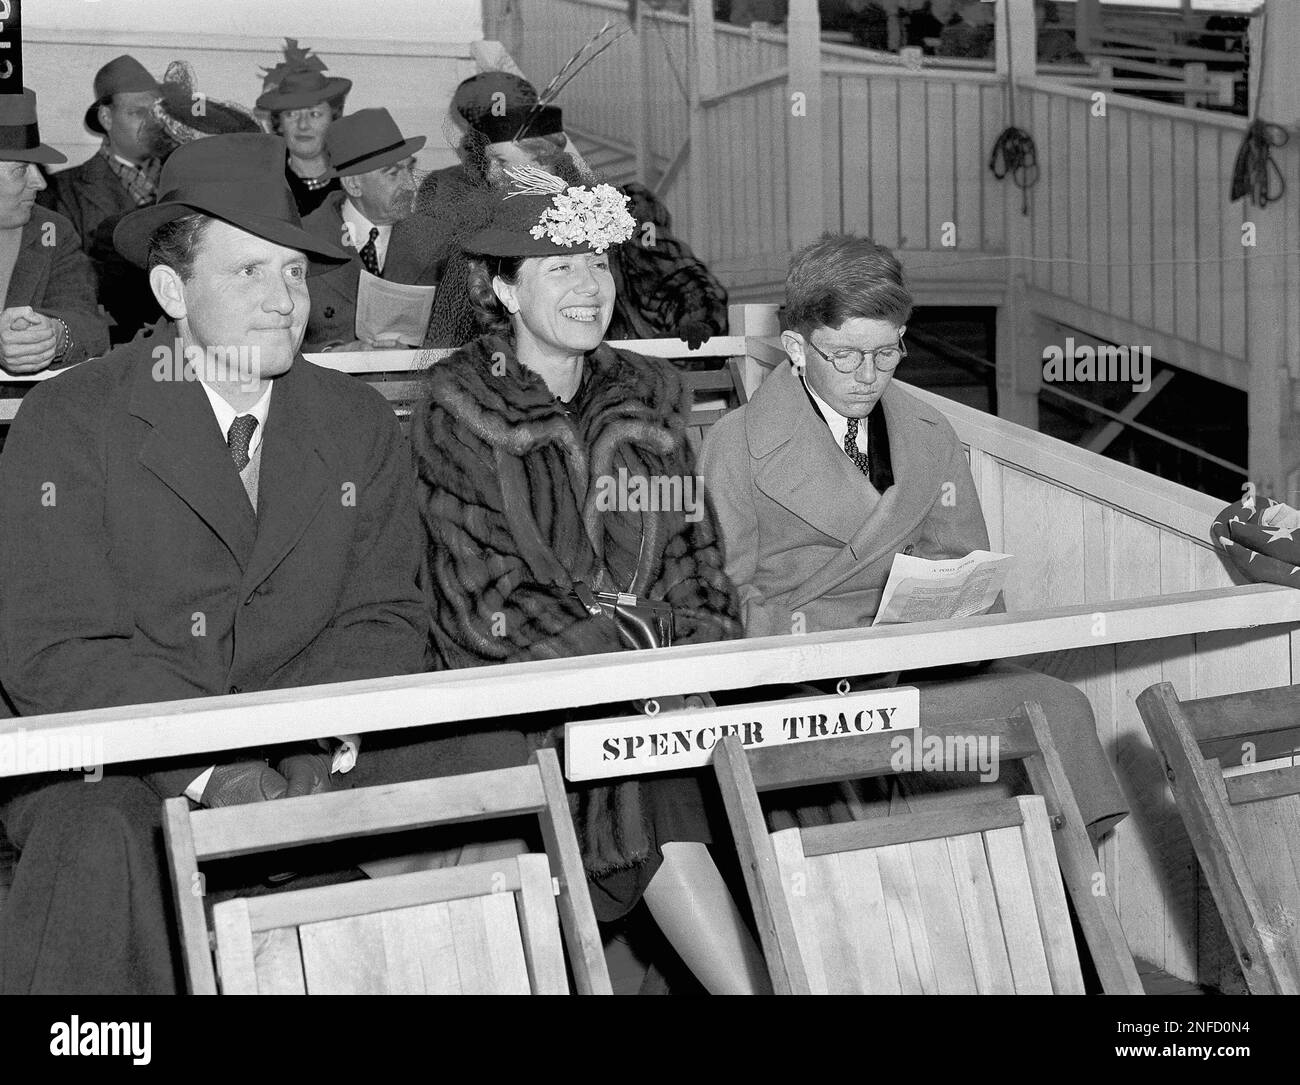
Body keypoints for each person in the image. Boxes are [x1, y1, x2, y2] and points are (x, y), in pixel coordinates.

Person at [0, 133, 428, 994]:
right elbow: (55, 654)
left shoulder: (357, 422)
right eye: (249, 273)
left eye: (296, 274)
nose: (284, 302)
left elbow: (384, 616)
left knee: (495, 763)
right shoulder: (70, 420)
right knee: (99, 831)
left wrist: (309, 753)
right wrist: (213, 771)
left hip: (309, 748)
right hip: (125, 762)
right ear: (171, 290)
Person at [381, 167, 769, 994]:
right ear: (502, 290)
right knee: (651, 760)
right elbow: (482, 607)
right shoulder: (456, 405)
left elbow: (697, 564)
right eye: (559, 266)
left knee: (660, 747)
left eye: (598, 262)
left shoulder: (651, 395)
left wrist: (674, 662)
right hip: (507, 698)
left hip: (642, 691)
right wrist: (641, 662)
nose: (591, 285)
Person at [701, 234, 1128, 842]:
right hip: (799, 677)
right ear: (796, 347)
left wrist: (954, 615)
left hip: (917, 664)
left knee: (1058, 706)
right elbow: (719, 604)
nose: (867, 376)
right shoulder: (736, 442)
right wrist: (834, 640)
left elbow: (963, 563)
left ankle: (1067, 913)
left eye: (887, 353)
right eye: (845, 355)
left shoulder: (930, 433)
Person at [412, 71, 727, 351]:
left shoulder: (606, 209)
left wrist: (698, 317)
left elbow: (677, 277)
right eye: (489, 158)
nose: (494, 172)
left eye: (503, 160)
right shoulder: (473, 216)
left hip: (599, 363)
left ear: (542, 155)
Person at [36, 56, 162, 346]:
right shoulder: (60, 191)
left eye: (157, 113)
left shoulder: (186, 182)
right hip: (108, 346)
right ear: (106, 118)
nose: (151, 124)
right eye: (137, 113)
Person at [301, 108, 445, 352]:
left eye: (409, 169)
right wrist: (335, 355)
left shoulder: (437, 241)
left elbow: (459, 333)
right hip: (332, 385)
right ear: (354, 184)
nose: (410, 184)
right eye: (392, 174)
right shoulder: (302, 242)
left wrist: (415, 357)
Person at [0, 88, 110, 375]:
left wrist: (56, 335)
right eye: (21, 169)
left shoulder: (51, 230)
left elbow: (90, 326)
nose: (40, 182)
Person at [256, 59, 350, 217]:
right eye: (291, 114)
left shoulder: (354, 181)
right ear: (279, 124)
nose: (303, 125)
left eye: (314, 114)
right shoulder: (262, 182)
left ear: (333, 120)